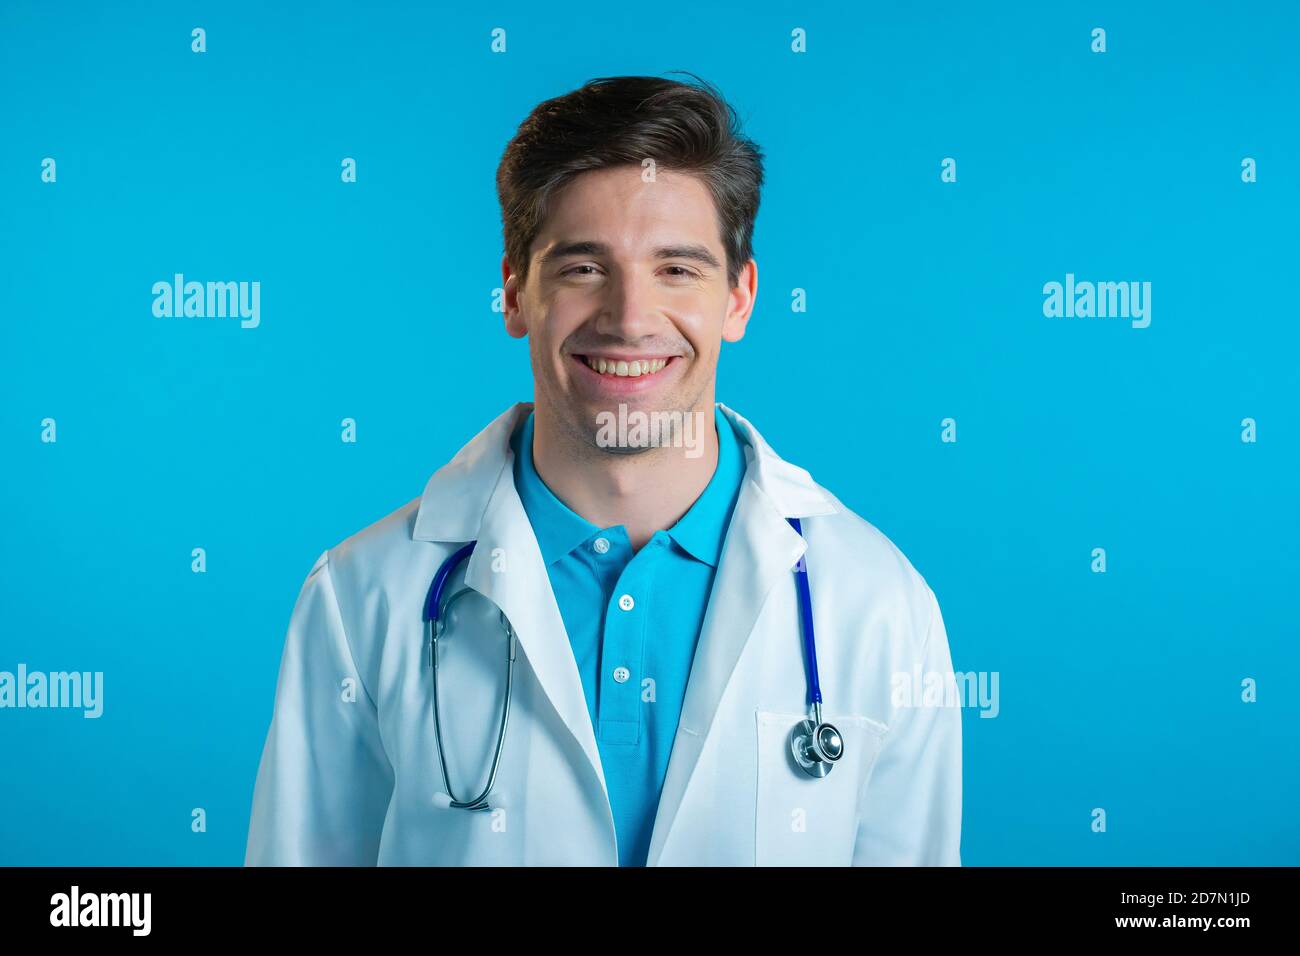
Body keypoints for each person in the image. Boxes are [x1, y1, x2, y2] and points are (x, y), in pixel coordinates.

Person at [244, 73, 961, 866]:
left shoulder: (876, 602)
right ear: (515, 294)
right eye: (584, 268)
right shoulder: (362, 597)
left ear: (740, 297)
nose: (628, 319)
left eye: (677, 269)